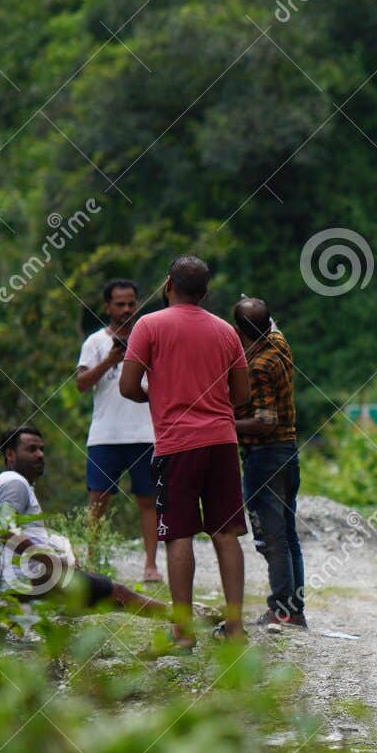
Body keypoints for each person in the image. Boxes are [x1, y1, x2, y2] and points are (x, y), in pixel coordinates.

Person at [119, 256, 250, 647]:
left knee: (178, 535)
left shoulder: (149, 325)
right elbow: (242, 395)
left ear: (168, 285)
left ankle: (182, 632)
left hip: (177, 444)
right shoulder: (226, 331)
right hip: (222, 441)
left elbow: (127, 386)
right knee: (226, 533)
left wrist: (159, 397)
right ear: (206, 292)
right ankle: (236, 628)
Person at [0, 426, 168, 619]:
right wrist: (53, 563)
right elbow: (6, 529)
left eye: (41, 449)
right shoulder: (14, 482)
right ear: (10, 454)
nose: (40, 455)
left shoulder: (12, 483)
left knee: (84, 603)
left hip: (13, 578)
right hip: (22, 576)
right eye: (31, 449)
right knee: (118, 594)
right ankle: (181, 615)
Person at [75, 278, 162, 582]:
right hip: (105, 435)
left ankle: (151, 566)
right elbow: (81, 384)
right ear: (107, 306)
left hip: (146, 433)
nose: (126, 309)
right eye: (120, 304)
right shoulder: (95, 342)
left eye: (131, 303)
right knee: (97, 500)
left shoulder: (149, 337)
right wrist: (111, 359)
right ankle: (92, 561)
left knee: (148, 501)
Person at [232, 297, 306, 631]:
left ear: (237, 330)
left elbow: (266, 420)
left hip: (266, 456)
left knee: (272, 538)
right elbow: (270, 323)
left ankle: (282, 610)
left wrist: (223, 422)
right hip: (288, 452)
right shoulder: (278, 343)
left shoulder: (258, 366)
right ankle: (293, 609)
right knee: (288, 536)